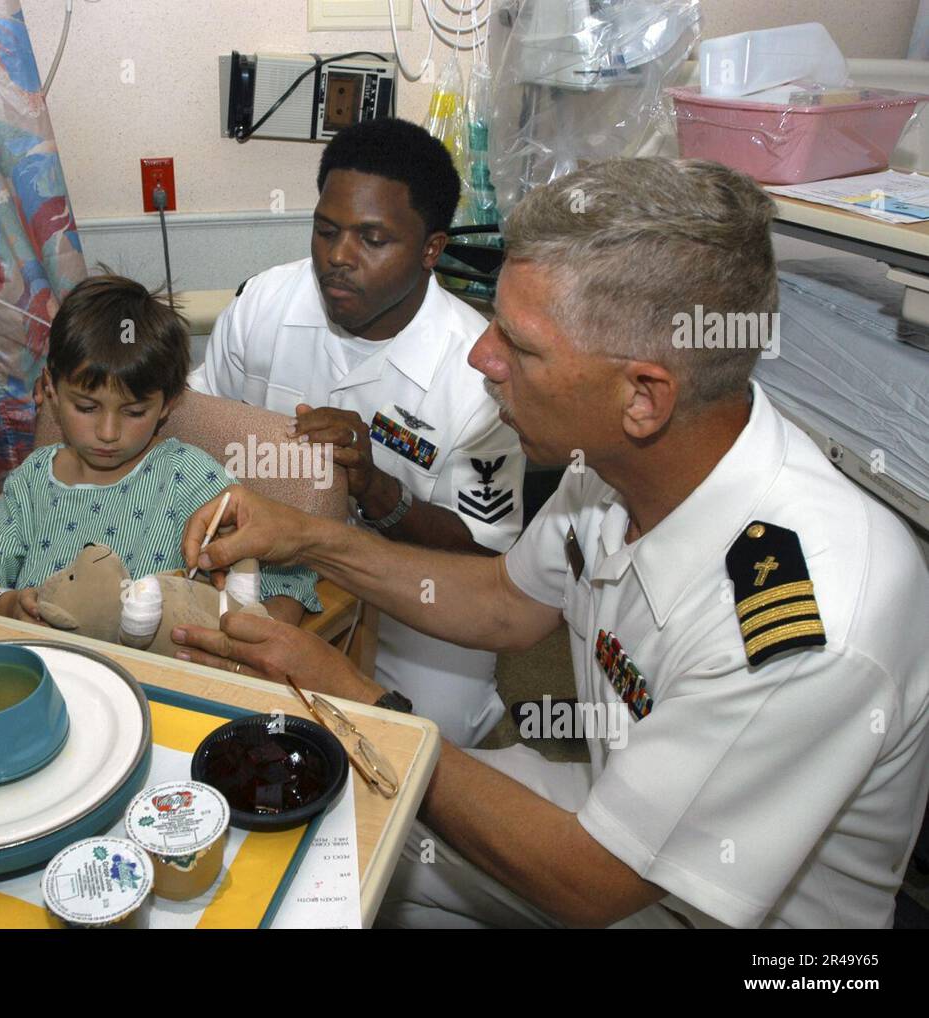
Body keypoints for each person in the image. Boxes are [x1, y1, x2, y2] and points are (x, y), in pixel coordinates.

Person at [170, 158, 929, 928]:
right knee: (332, 853)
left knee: (367, 812)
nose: (480, 357)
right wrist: (311, 539)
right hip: (616, 817)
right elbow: (505, 604)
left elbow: (588, 887)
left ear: (643, 395)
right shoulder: (612, 465)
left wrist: (356, 703)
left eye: (521, 347)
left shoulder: (808, 621)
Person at [189, 116, 524, 747]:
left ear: (430, 249)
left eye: (372, 239)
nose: (339, 258)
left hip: (417, 602)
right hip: (269, 567)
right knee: (214, 705)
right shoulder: (266, 304)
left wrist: (375, 488)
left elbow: (486, 558)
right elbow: (194, 418)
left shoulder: (479, 373)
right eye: (325, 230)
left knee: (423, 745)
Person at [0, 275, 320, 628]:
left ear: (168, 403)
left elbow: (281, 575)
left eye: (134, 412)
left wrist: (246, 649)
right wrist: (5, 605)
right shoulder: (34, 479)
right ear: (50, 387)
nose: (108, 433)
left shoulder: (188, 478)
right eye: (86, 408)